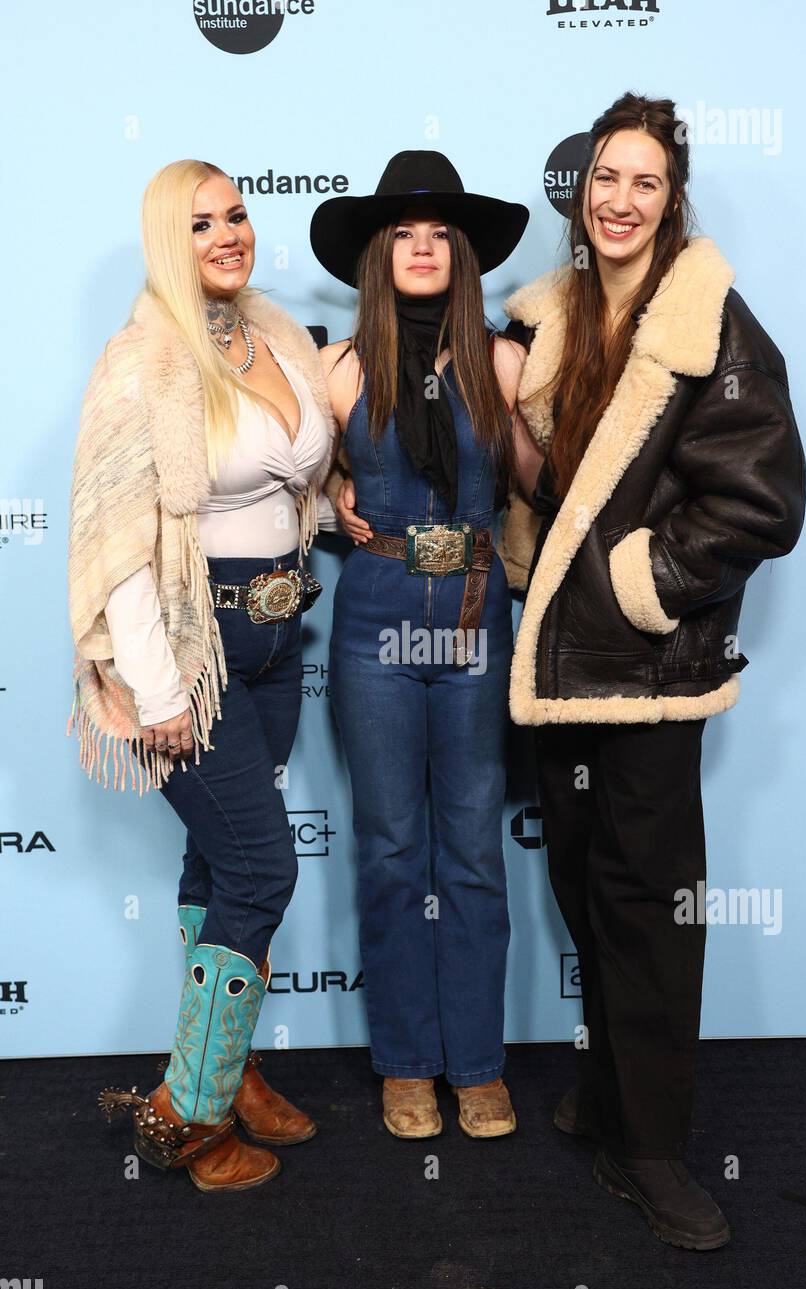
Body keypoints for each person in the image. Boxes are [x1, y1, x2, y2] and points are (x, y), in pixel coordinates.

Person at [501, 94, 806, 1248]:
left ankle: (655, 1151)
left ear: (671, 196)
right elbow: (558, 487)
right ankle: (608, 1102)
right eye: (604, 180)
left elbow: (759, 501)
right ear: (581, 196)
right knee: (583, 891)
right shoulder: (564, 317)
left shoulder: (710, 325)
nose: (620, 200)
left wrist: (638, 584)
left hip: (643, 672)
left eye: (643, 182)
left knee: (650, 914)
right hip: (561, 669)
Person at [67, 160, 336, 1191]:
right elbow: (120, 541)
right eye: (199, 223)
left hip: (275, 646)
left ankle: (239, 1073)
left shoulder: (275, 337)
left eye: (235, 213)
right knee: (264, 870)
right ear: (162, 242)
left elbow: (296, 477)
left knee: (219, 867)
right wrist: (159, 686)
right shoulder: (144, 359)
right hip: (190, 647)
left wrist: (337, 506)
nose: (227, 234)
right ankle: (188, 1110)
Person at [309, 150, 537, 1139]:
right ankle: (406, 1063)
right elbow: (284, 474)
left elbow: (549, 483)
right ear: (374, 255)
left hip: (475, 613)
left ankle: (477, 1065)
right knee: (393, 846)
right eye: (401, 233)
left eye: (438, 233)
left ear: (463, 255)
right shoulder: (341, 368)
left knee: (475, 852)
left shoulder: (501, 360)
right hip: (372, 619)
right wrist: (329, 495)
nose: (419, 247)